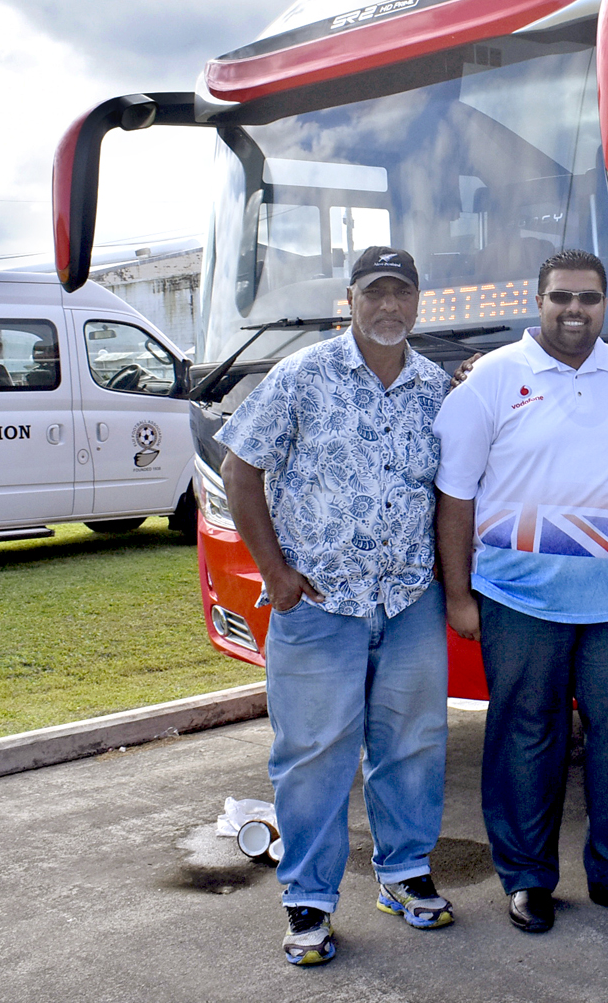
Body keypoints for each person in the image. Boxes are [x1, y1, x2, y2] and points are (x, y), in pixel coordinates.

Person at [218, 246, 455, 967]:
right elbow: (240, 468)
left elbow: (451, 492)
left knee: (412, 745)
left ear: (418, 303)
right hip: (320, 603)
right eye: (374, 293)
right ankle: (310, 902)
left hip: (410, 597)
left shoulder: (436, 387)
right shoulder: (301, 376)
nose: (389, 306)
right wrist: (275, 573)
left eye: (401, 294)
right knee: (313, 754)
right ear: (348, 301)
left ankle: (403, 875)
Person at [433, 249, 608, 935]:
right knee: (525, 737)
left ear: (605, 304)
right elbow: (454, 493)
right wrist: (459, 596)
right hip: (518, 598)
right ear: (537, 302)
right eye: (561, 297)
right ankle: (528, 879)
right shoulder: (490, 380)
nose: (575, 311)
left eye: (589, 299)